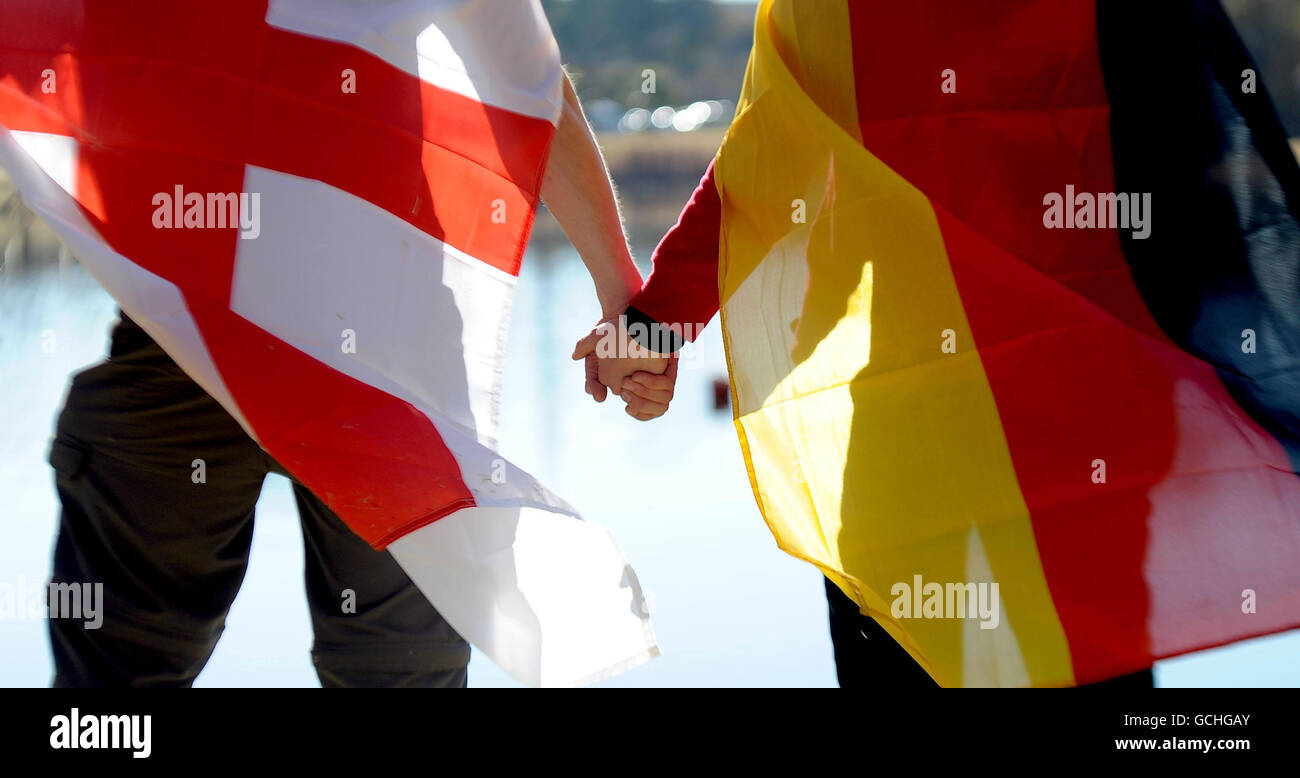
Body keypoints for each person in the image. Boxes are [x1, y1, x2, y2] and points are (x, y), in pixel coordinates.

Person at [575, 0, 1300, 687]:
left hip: (918, 405)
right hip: (1095, 402)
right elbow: (1190, 149)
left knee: (901, 657)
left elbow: (771, 157)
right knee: (1096, 665)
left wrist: (652, 325)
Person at [47, 69, 645, 688]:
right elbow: (528, 77)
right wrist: (623, 296)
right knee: (397, 671)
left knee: (114, 680)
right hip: (364, 342)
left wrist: (625, 298)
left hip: (199, 328)